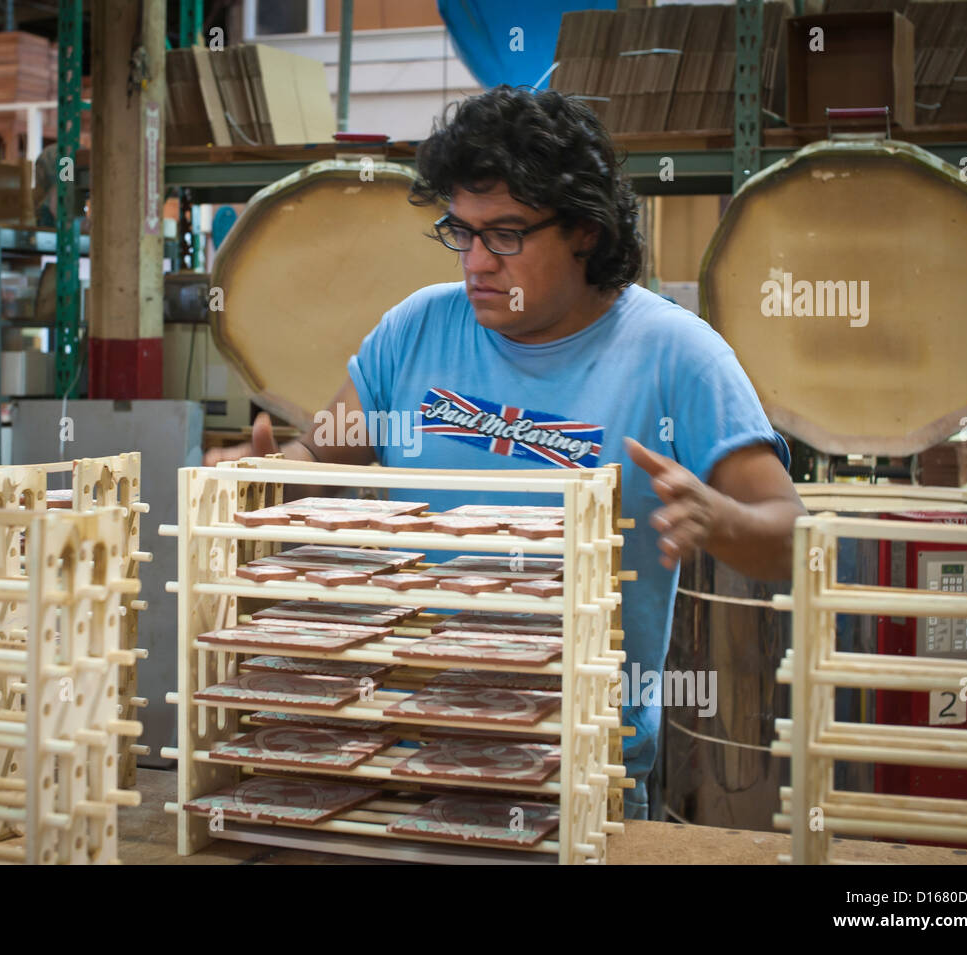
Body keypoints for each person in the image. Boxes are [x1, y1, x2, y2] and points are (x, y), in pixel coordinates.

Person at [207, 86, 806, 819]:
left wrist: (719, 520)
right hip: (407, 756)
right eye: (461, 231)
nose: (477, 263)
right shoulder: (417, 329)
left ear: (585, 229)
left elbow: (791, 536)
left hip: (581, 779)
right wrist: (267, 476)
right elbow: (322, 456)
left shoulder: (674, 354)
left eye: (507, 235)